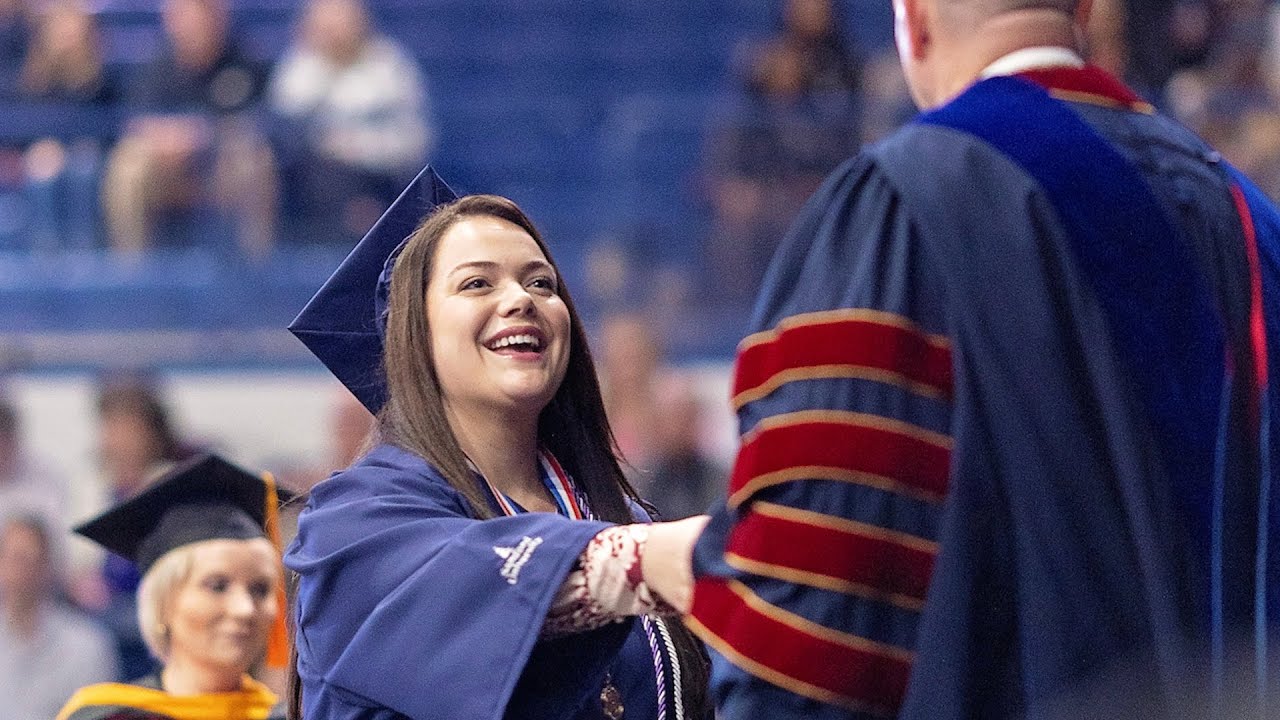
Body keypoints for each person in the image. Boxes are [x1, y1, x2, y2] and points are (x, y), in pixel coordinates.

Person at [644, 0, 1280, 718]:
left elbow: (817, 639)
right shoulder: (1252, 223)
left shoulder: (911, 203)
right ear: (1084, 11)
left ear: (913, 21)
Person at [286, 166, 711, 719]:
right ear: (412, 335)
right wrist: (648, 562)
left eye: (541, 283)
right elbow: (463, 599)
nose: (521, 299)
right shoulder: (354, 524)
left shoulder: (625, 516)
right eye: (477, 283)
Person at [56, 454, 289, 720]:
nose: (244, 608)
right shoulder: (109, 716)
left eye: (260, 589)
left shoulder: (289, 714)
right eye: (217, 586)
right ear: (163, 602)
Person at [268, 0, 432, 245]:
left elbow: (414, 142)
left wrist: (354, 148)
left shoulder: (389, 67)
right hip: (312, 181)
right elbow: (285, 129)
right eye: (326, 25)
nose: (335, 33)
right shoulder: (299, 66)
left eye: (342, 23)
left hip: (376, 177)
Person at [0, 515, 117, 720]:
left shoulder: (88, 646)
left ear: (47, 567)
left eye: (28, 560)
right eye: (12, 558)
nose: (18, 572)